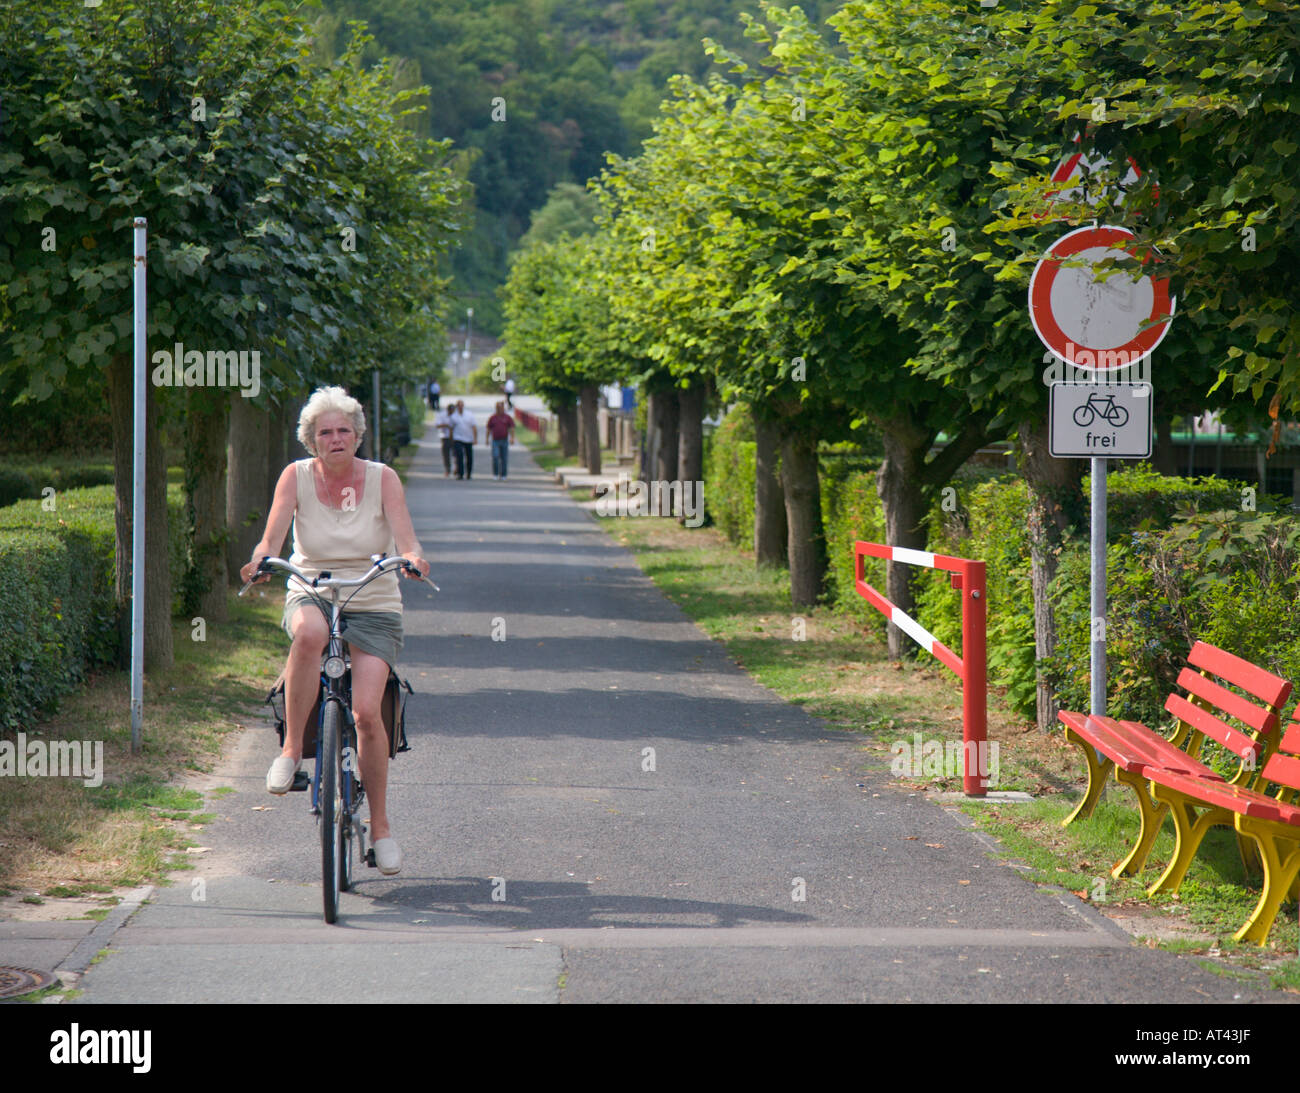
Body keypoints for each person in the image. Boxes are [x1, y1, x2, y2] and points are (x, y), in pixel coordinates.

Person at [239, 386, 430, 876]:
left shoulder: (383, 478)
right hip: (314, 589)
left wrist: (412, 558)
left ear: (357, 436)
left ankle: (382, 828)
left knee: (368, 713)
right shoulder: (295, 477)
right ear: (312, 440)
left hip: (373, 598)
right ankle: (290, 752)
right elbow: (273, 533)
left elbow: (407, 537)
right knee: (308, 636)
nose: (336, 438)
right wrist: (262, 556)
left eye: (344, 430)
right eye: (325, 431)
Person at [486, 400, 515, 480]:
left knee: (504, 458)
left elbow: (511, 428)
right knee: (495, 457)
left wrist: (512, 438)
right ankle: (495, 473)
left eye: (500, 407)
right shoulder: (493, 418)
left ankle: (503, 474)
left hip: (504, 440)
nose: (499, 409)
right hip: (495, 440)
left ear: (503, 408)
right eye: (497, 407)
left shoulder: (507, 417)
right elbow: (488, 428)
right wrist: (487, 439)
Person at [448, 399, 477, 479]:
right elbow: (451, 428)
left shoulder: (469, 415)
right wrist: (451, 439)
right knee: (459, 456)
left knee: (469, 457)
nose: (460, 407)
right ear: (457, 407)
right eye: (459, 406)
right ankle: (460, 473)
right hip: (458, 438)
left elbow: (474, 427)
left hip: (468, 438)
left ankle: (469, 473)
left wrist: (475, 438)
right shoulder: (453, 416)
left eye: (461, 405)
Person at [434, 402, 453, 477]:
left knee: (457, 454)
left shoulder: (455, 415)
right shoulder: (442, 415)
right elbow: (437, 425)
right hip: (445, 437)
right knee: (446, 455)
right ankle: (447, 469)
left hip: (455, 437)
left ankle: (457, 469)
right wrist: (446, 425)